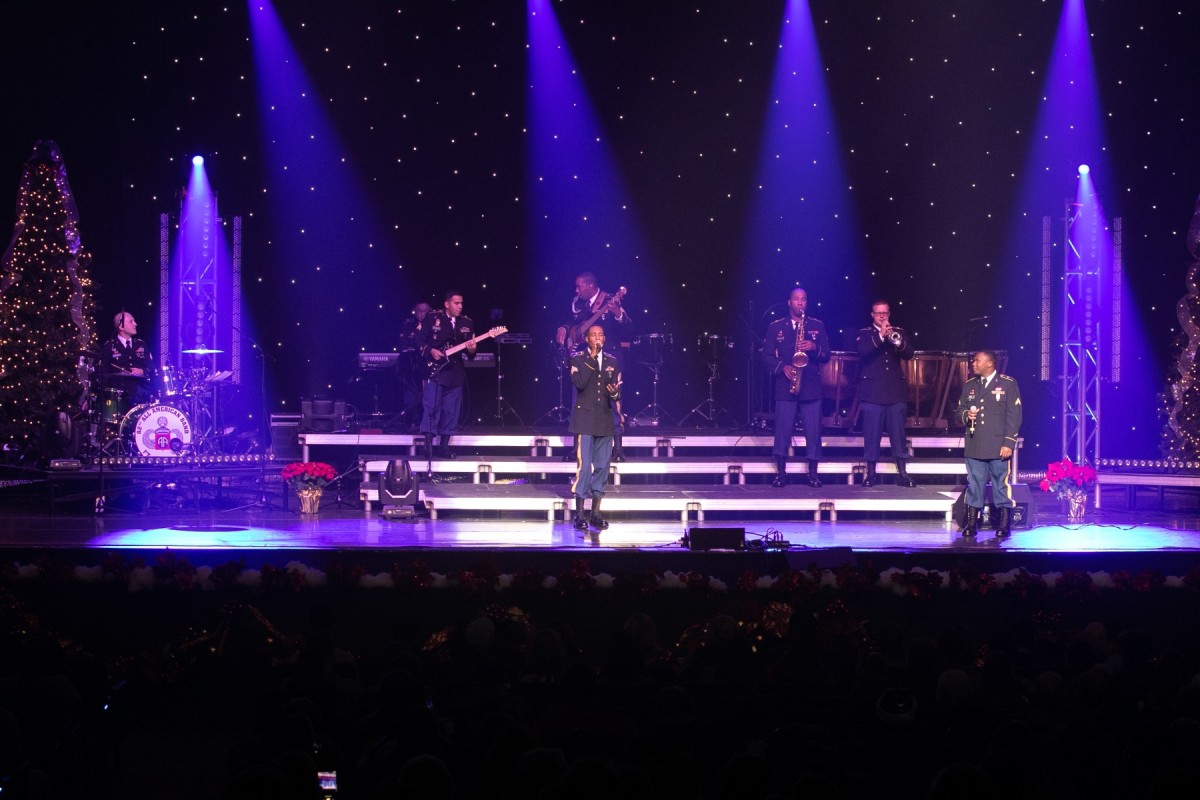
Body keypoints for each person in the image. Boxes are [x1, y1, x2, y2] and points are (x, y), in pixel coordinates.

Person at [761, 288, 829, 487]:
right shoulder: (776, 327)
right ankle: (781, 473)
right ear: (789, 302)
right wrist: (783, 367)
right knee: (782, 430)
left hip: (810, 386)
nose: (800, 303)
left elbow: (827, 355)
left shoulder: (817, 325)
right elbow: (765, 356)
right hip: (785, 386)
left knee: (813, 432)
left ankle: (813, 473)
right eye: (796, 300)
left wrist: (814, 347)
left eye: (803, 300)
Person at [955, 350, 1022, 537]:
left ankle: (1004, 524)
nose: (973, 364)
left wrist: (1009, 442)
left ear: (990, 364)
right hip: (975, 443)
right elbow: (959, 408)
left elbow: (1014, 415)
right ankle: (971, 523)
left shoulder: (1008, 384)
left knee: (1000, 485)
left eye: (977, 361)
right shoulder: (970, 385)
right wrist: (965, 415)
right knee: (974, 484)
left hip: (998, 444)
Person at [856, 300, 918, 488]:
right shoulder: (865, 334)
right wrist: (881, 337)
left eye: (885, 313)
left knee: (898, 435)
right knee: (871, 434)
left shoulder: (898, 331)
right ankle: (871, 474)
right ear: (872, 315)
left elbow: (909, 354)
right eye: (878, 313)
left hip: (895, 392)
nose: (882, 316)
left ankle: (902, 473)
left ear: (888, 314)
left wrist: (897, 341)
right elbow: (862, 352)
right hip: (872, 392)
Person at [568, 325, 622, 531]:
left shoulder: (612, 362)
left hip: (604, 420)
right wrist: (592, 357)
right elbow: (579, 383)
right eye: (593, 335)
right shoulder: (577, 359)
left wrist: (615, 394)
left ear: (605, 338)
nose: (597, 338)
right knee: (584, 467)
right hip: (585, 420)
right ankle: (579, 514)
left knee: (602, 466)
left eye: (600, 335)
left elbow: (615, 394)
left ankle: (596, 513)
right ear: (587, 339)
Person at [415, 291, 475, 458]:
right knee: (431, 407)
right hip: (435, 369)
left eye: (461, 303)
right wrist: (430, 350)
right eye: (456, 303)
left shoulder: (467, 322)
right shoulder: (432, 318)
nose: (460, 306)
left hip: (455, 371)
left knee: (451, 410)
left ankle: (444, 446)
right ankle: (427, 444)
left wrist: (472, 348)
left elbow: (470, 352)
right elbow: (418, 340)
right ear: (447, 304)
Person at [100, 310, 154, 420]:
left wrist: (142, 371)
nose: (135, 324)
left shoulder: (141, 344)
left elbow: (152, 368)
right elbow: (102, 373)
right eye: (131, 321)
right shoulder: (109, 346)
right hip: (118, 396)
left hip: (140, 393)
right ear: (121, 326)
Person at [397, 302, 432, 429]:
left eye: (425, 311)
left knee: (429, 396)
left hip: (429, 365)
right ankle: (412, 421)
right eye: (419, 311)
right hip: (411, 365)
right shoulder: (408, 324)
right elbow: (403, 344)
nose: (422, 314)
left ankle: (427, 424)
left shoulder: (435, 324)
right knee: (411, 394)